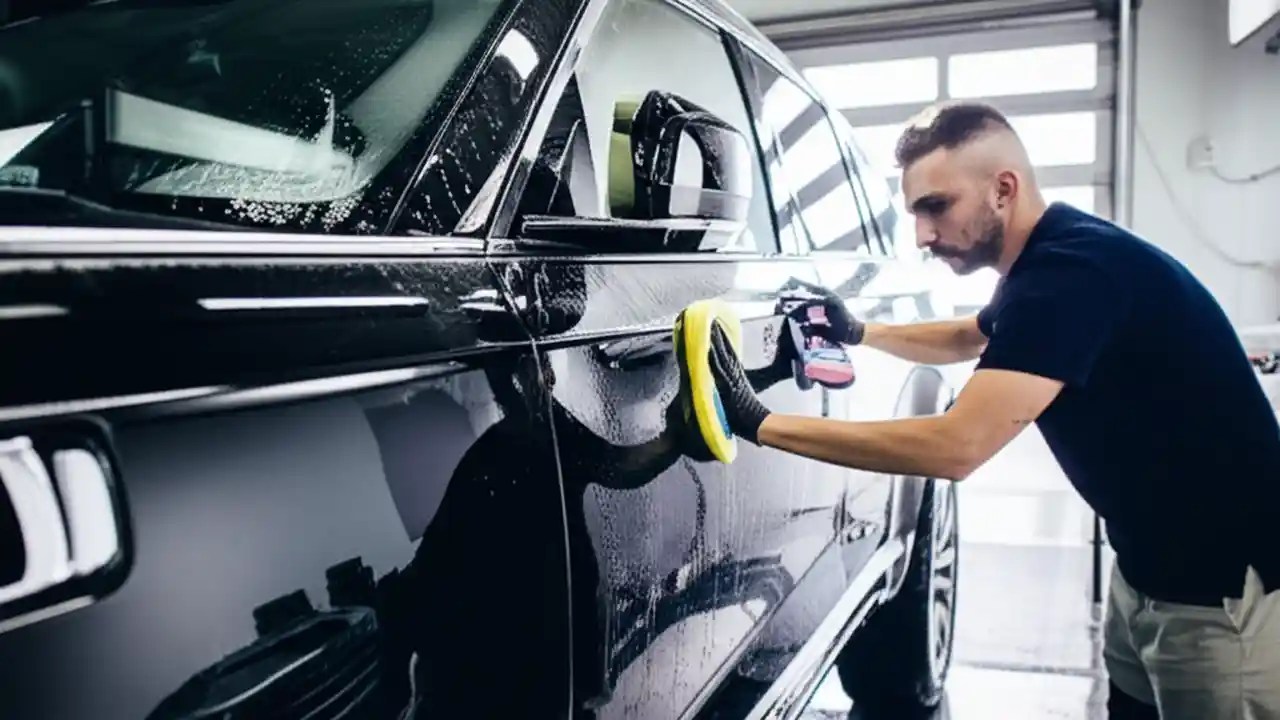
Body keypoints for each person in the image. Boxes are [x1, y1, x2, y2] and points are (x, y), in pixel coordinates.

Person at [704, 101, 1280, 720]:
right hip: (1147, 570)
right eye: (916, 212)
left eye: (936, 207)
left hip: (1224, 595)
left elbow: (955, 447)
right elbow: (972, 335)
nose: (922, 236)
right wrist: (859, 331)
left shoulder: (1071, 275)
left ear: (1003, 189)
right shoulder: (1051, 257)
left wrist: (761, 423)